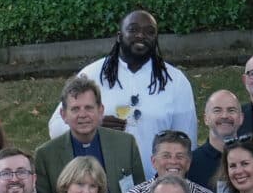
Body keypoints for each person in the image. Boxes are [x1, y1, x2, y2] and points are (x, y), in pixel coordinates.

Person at [47, 10, 198, 170]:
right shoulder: (93, 74)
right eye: (133, 30)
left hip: (158, 186)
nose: (141, 35)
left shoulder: (175, 81)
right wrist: (92, 126)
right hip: (101, 185)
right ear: (119, 36)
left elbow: (188, 142)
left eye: (149, 32)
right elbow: (56, 126)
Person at [36, 78, 149, 193]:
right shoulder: (46, 154)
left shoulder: (126, 144)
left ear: (100, 111)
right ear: (63, 115)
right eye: (75, 109)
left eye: (89, 108)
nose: (83, 115)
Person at [189, 90, 247, 193]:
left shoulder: (252, 160)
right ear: (206, 118)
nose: (224, 116)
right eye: (217, 110)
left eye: (231, 110)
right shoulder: (190, 164)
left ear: (241, 118)